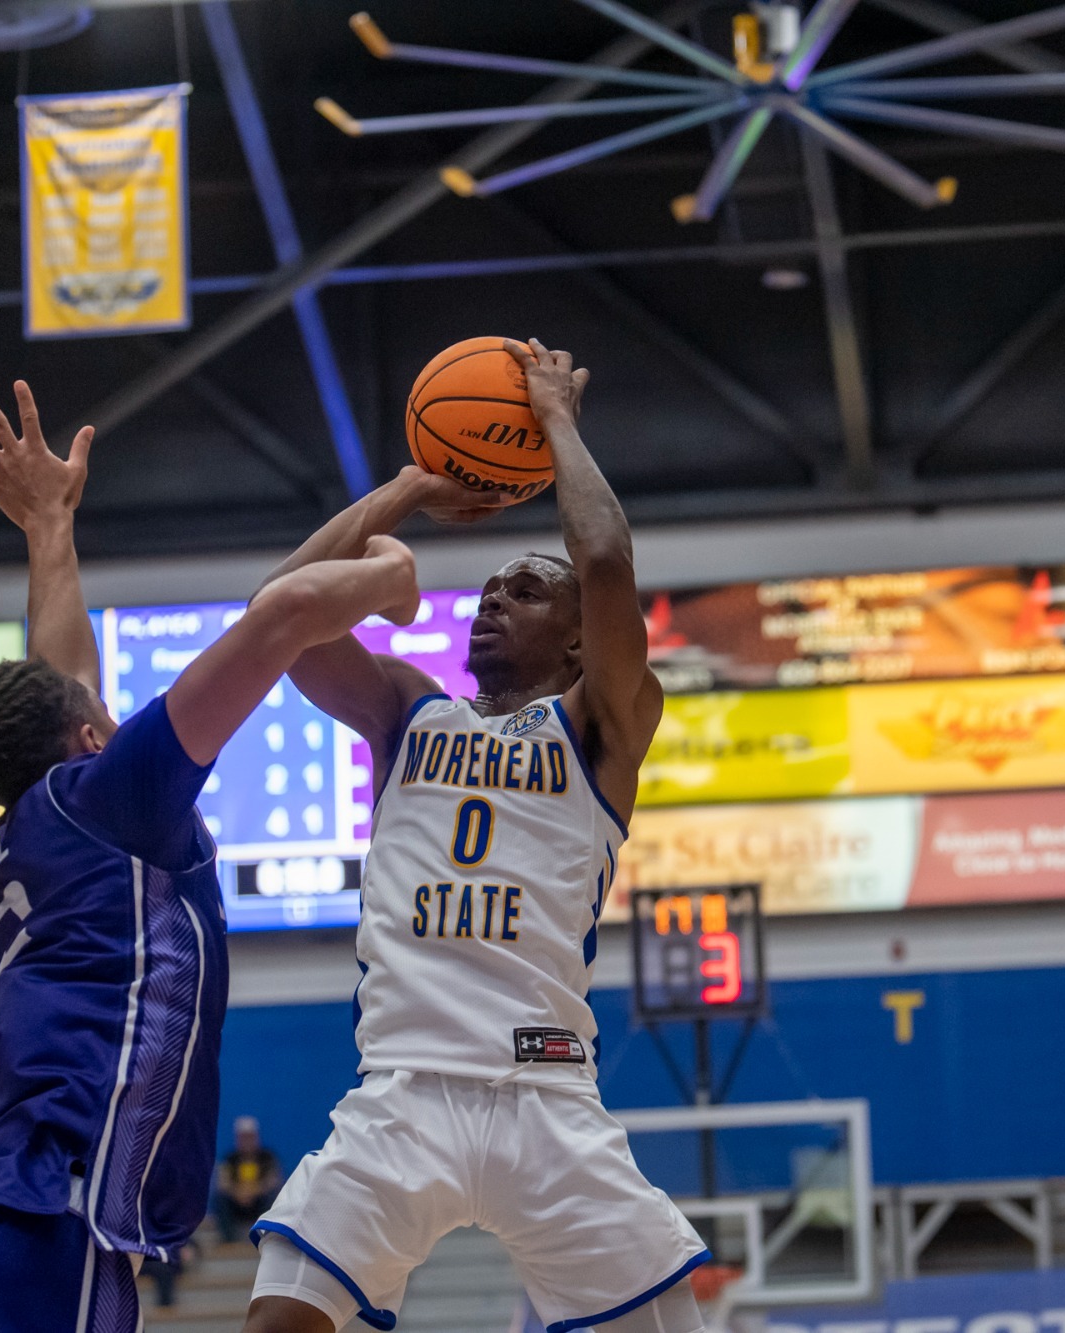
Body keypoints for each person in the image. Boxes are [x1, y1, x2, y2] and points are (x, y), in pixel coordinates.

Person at [0, 381, 424, 1333]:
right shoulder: (109, 801)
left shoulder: (34, 831)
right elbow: (284, 612)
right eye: (104, 716)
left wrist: (50, 524)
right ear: (94, 741)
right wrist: (394, 571)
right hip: (55, 1238)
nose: (115, 714)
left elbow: (65, 672)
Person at [242, 341, 710, 1333]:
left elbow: (606, 560)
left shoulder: (603, 723)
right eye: (486, 588)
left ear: (582, 638)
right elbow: (277, 615)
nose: (491, 598)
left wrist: (557, 425)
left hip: (543, 1089)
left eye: (525, 591)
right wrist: (406, 489)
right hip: (402, 1090)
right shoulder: (408, 713)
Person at [216, 1116, 284, 1244]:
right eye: (243, 1137)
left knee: (272, 1198)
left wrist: (251, 1193)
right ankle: (229, 1241)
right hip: (236, 1204)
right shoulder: (229, 1159)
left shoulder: (268, 1158)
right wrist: (238, 1194)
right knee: (220, 1199)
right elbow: (223, 1183)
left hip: (259, 1202)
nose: (247, 1141)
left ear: (256, 1137)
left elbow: (273, 1181)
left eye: (250, 1137)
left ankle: (266, 1238)